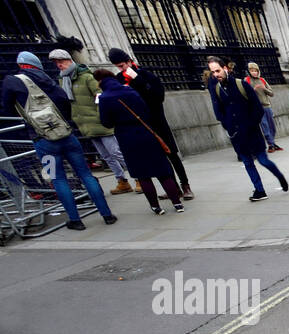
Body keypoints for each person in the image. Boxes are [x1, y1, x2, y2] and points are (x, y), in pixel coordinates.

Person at [0, 51, 115, 230]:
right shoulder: (48, 80)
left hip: (43, 141)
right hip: (67, 137)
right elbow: (64, 102)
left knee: (58, 178)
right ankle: (107, 215)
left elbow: (7, 108)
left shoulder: (12, 81)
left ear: (20, 65)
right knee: (85, 173)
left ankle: (75, 220)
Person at [93, 69, 183, 215]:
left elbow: (107, 123)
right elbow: (146, 111)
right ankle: (177, 203)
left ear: (99, 81)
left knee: (143, 175)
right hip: (146, 133)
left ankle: (156, 207)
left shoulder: (104, 98)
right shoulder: (130, 91)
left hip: (127, 138)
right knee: (162, 171)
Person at [107, 48, 192, 199]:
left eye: (123, 65)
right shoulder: (119, 80)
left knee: (172, 155)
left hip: (157, 121)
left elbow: (158, 97)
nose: (121, 69)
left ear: (129, 61)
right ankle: (174, 188)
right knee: (159, 158)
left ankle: (185, 186)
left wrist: (138, 80)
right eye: (118, 66)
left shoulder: (146, 75)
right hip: (141, 125)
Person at [47, 49, 135, 195]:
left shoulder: (86, 77)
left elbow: (100, 96)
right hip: (85, 124)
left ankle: (139, 177)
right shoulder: (64, 79)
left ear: (69, 60)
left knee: (116, 153)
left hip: (99, 121)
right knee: (106, 156)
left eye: (61, 62)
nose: (59, 65)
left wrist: (102, 115)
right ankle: (122, 181)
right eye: (56, 63)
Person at [207, 56, 289, 201]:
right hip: (236, 135)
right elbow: (219, 112)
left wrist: (251, 124)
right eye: (213, 72)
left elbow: (258, 108)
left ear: (225, 68)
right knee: (247, 163)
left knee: (263, 160)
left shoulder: (241, 84)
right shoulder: (217, 89)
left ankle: (279, 176)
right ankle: (260, 190)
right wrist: (228, 126)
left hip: (251, 132)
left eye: (218, 70)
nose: (216, 74)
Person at [244, 62, 280, 151]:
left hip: (267, 106)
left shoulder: (262, 80)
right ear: (249, 71)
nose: (254, 72)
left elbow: (271, 93)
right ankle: (270, 144)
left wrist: (264, 88)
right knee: (265, 126)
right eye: (252, 71)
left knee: (272, 126)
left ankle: (273, 142)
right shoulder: (246, 80)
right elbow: (245, 94)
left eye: (256, 71)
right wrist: (253, 90)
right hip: (257, 108)